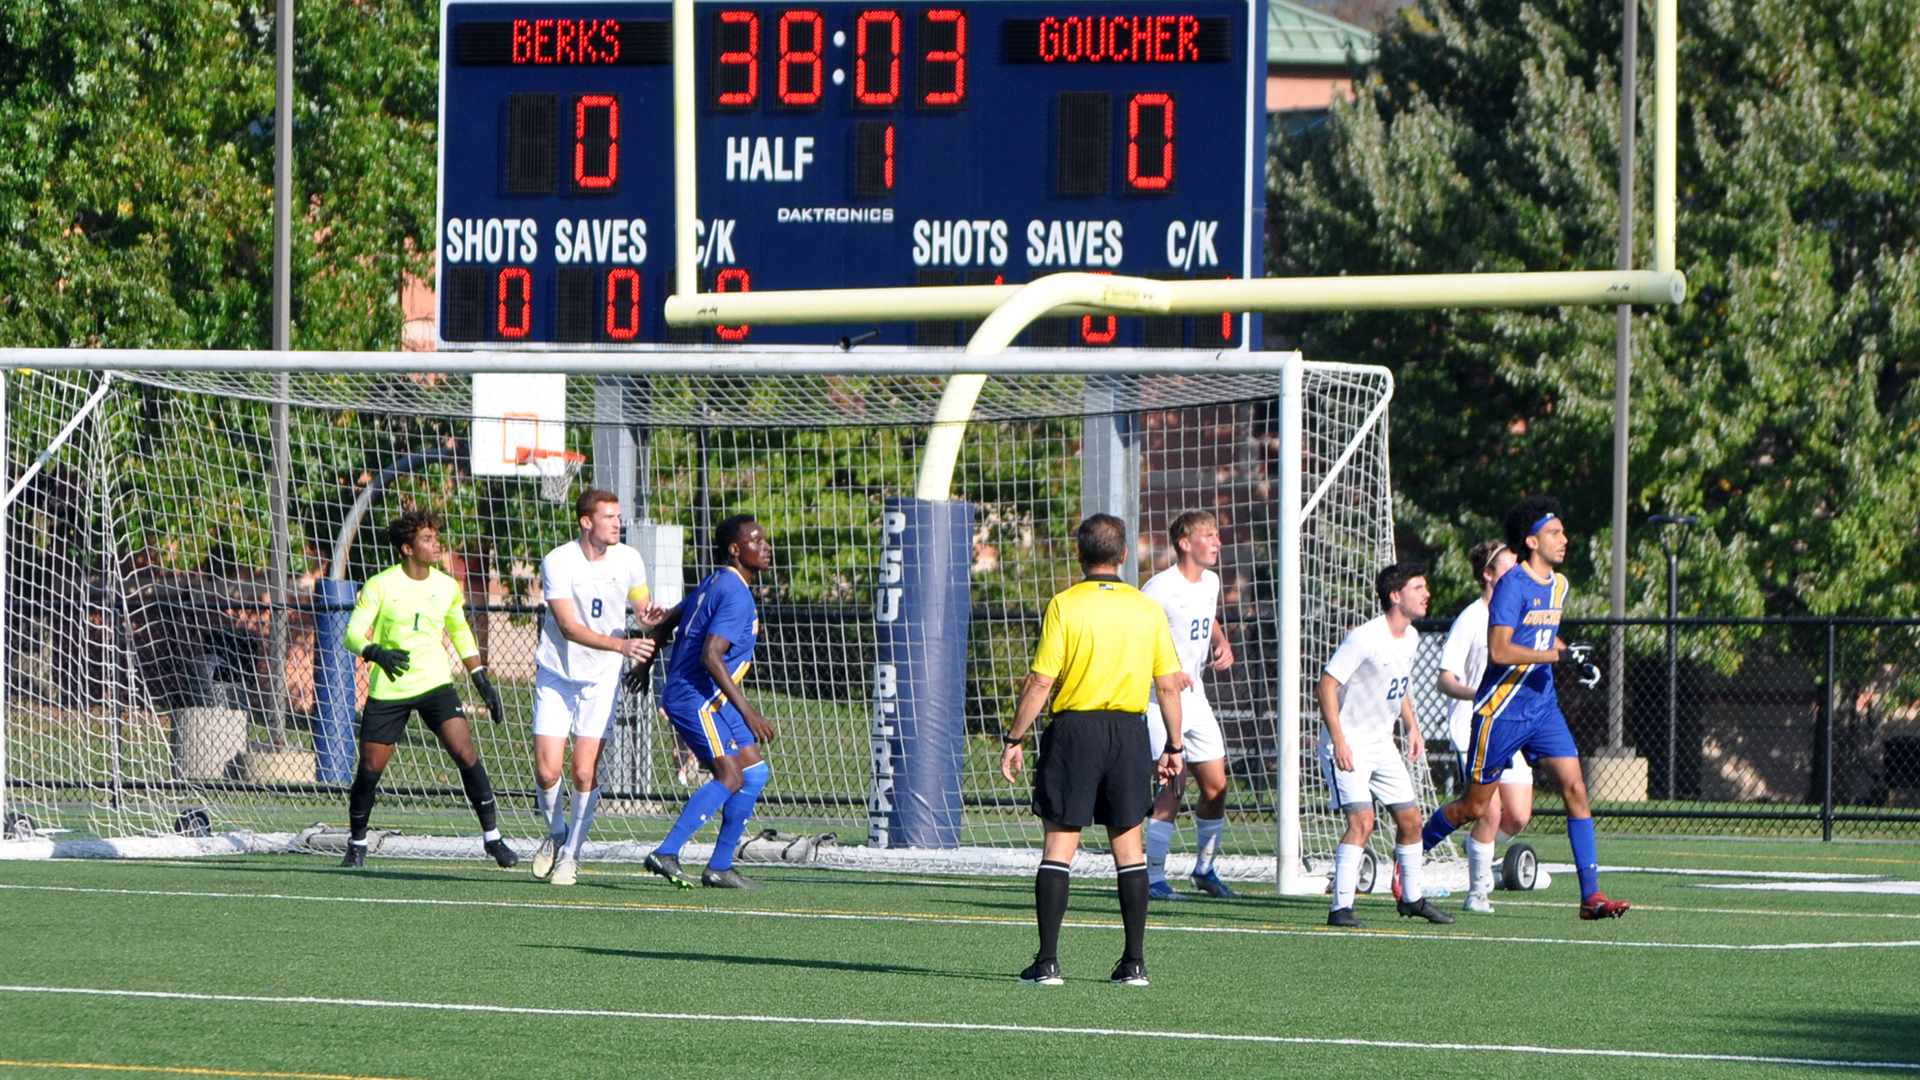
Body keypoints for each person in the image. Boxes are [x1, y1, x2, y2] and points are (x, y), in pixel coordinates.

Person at [1421, 495, 1631, 920]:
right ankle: (1406, 856)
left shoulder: (1560, 584)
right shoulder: (1511, 585)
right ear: (1532, 541)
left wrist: (1574, 656)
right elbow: (1499, 651)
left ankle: (1590, 897)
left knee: (1575, 790)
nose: (1564, 539)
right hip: (1501, 711)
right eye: (1555, 533)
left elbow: (1541, 637)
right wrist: (1559, 658)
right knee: (1474, 809)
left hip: (1542, 707)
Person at [999, 514, 1186, 987]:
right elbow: (1167, 686)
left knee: (1059, 846)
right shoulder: (1146, 608)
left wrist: (1014, 738)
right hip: (1128, 732)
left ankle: (1047, 963)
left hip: (1074, 732)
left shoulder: (1065, 604)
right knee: (1130, 848)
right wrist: (1174, 746)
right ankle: (1134, 963)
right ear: (1124, 555)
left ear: (1079, 555)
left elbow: (1042, 680)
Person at [340, 509, 518, 870]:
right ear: (407, 548)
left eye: (436, 537)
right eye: (427, 539)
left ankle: (493, 839)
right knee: (370, 770)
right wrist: (376, 652)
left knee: (466, 754)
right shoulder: (381, 585)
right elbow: (351, 634)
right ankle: (357, 844)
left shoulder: (446, 586)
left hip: (436, 684)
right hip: (391, 689)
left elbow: (460, 631)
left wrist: (481, 680)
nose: (436, 544)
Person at [529, 490, 664, 886]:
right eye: (609, 517)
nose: (617, 523)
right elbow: (568, 628)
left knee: (583, 772)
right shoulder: (559, 560)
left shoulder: (630, 559)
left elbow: (644, 613)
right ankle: (555, 834)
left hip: (602, 678)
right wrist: (623, 644)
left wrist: (649, 620)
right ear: (586, 522)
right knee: (546, 769)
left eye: (618, 516)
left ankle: (571, 853)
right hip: (556, 675)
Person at [1315, 563, 1455, 928]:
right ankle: (1340, 908)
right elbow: (1326, 685)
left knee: (1412, 821)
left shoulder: (1410, 637)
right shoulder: (1364, 637)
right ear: (1395, 596)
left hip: (1382, 744)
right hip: (1348, 746)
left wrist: (1412, 725)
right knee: (1362, 821)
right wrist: (1340, 740)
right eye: (1418, 587)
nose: (1426, 594)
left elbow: (1400, 683)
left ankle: (1412, 899)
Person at [642, 515, 777, 890]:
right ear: (735, 550)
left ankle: (719, 867)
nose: (765, 546)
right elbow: (711, 655)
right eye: (755, 540)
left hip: (709, 697)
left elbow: (671, 618)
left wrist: (645, 664)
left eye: (765, 540)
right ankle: (667, 852)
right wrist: (749, 712)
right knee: (731, 776)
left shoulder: (719, 580)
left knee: (753, 774)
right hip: (696, 697)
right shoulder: (734, 592)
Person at [1436, 539, 1546, 913]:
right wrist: (1478, 694)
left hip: (1511, 723)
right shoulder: (1471, 620)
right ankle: (1477, 889)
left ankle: (1484, 860)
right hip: (1475, 725)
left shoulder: (1517, 612)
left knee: (1518, 815)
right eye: (1509, 568)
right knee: (1489, 811)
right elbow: (1444, 679)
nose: (1518, 575)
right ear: (1488, 574)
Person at [1140, 510, 1238, 900]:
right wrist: (1165, 671)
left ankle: (1204, 870)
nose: (1217, 542)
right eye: (1209, 536)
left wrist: (1221, 641)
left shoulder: (1211, 582)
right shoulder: (1158, 588)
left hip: (1195, 699)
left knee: (1216, 787)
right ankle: (1152, 879)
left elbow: (1206, 617)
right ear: (1185, 543)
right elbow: (1137, 640)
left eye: (1217, 535)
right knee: (1173, 784)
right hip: (1159, 701)